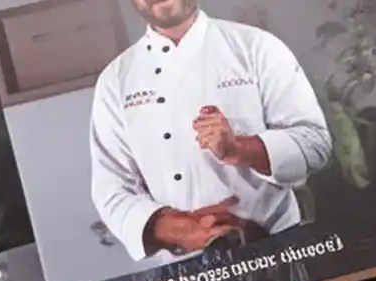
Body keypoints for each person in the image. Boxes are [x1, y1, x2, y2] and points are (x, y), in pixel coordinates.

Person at [90, 0, 333, 264]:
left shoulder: (256, 47)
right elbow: (112, 189)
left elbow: (315, 143)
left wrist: (240, 148)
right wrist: (185, 229)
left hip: (276, 246)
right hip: (183, 271)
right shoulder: (115, 80)